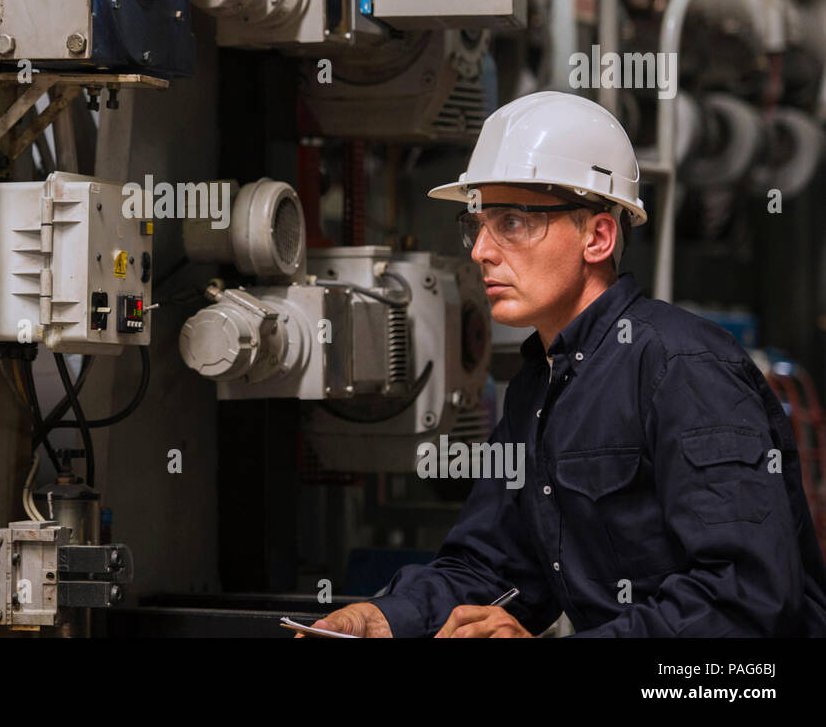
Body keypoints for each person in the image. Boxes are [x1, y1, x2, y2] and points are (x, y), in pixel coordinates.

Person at [309, 91, 826, 637]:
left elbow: (742, 601)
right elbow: (495, 567)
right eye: (478, 224)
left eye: (511, 222)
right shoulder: (539, 385)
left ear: (598, 237)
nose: (481, 250)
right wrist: (388, 617)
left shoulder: (683, 369)